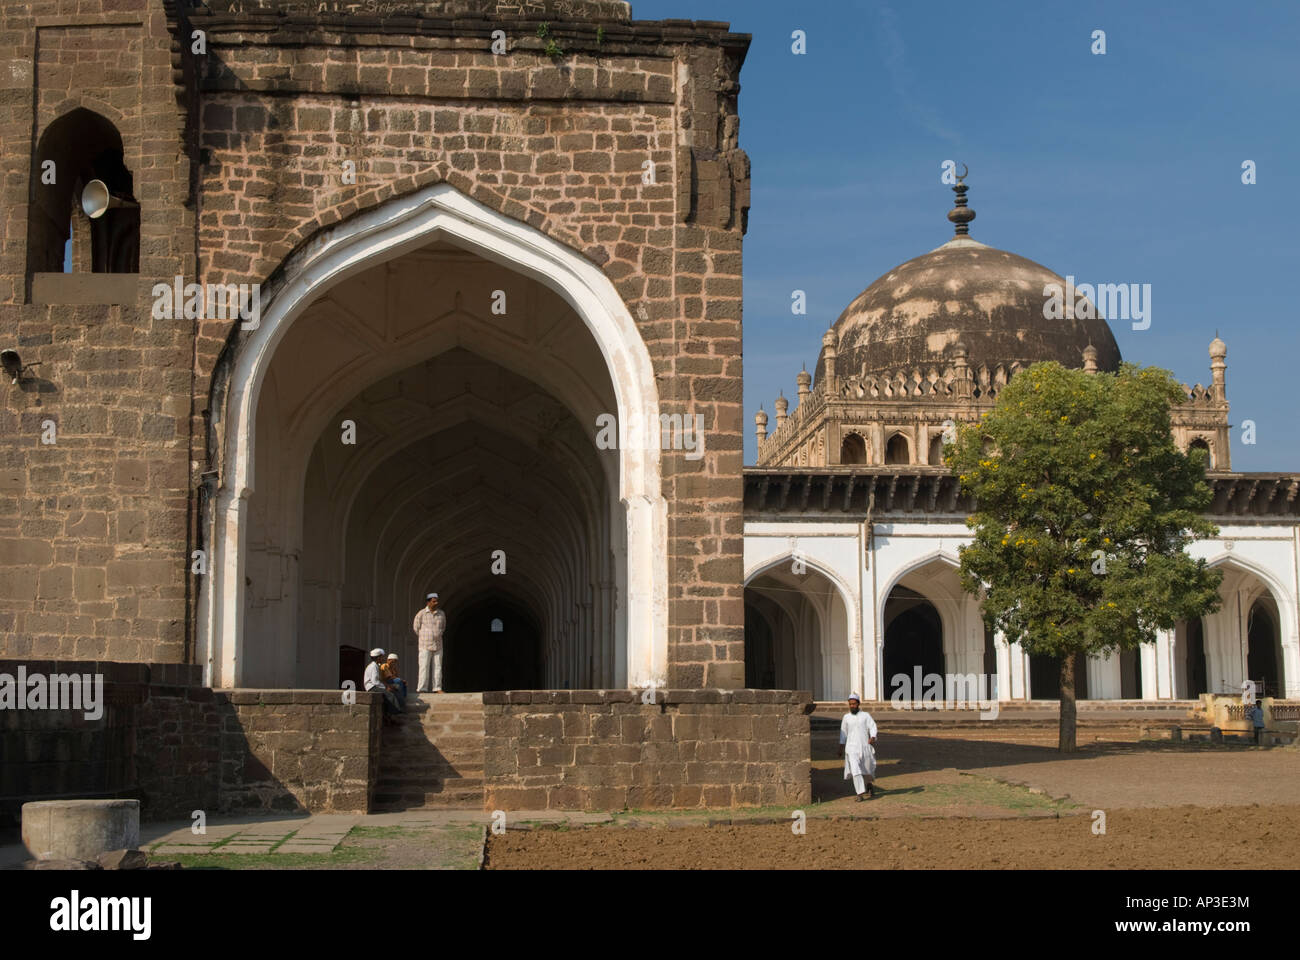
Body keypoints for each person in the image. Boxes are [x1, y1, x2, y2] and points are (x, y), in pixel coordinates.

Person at [839, 693, 877, 801]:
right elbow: (843, 734)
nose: (852, 706)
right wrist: (840, 748)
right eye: (850, 704)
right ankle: (860, 793)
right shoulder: (846, 717)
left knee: (867, 770)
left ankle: (868, 785)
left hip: (865, 747)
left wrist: (873, 737)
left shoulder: (866, 716)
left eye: (854, 704)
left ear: (858, 704)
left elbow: (873, 727)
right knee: (855, 770)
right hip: (851, 748)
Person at [413, 592, 447, 693]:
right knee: (424, 667)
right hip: (425, 644)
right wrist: (425, 635)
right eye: (433, 601)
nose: (436, 603)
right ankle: (422, 688)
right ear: (428, 602)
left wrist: (437, 634)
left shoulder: (441, 614)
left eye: (436, 601)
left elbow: (443, 627)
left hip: (438, 644)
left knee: (438, 667)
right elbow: (416, 627)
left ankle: (437, 688)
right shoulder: (421, 613)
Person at [365, 647, 401, 720]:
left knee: (394, 690)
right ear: (378, 658)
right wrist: (386, 687)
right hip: (372, 687)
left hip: (375, 686)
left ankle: (391, 713)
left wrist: (387, 686)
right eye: (382, 657)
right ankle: (394, 715)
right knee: (390, 695)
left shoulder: (375, 666)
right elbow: (375, 681)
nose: (383, 659)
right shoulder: (373, 667)